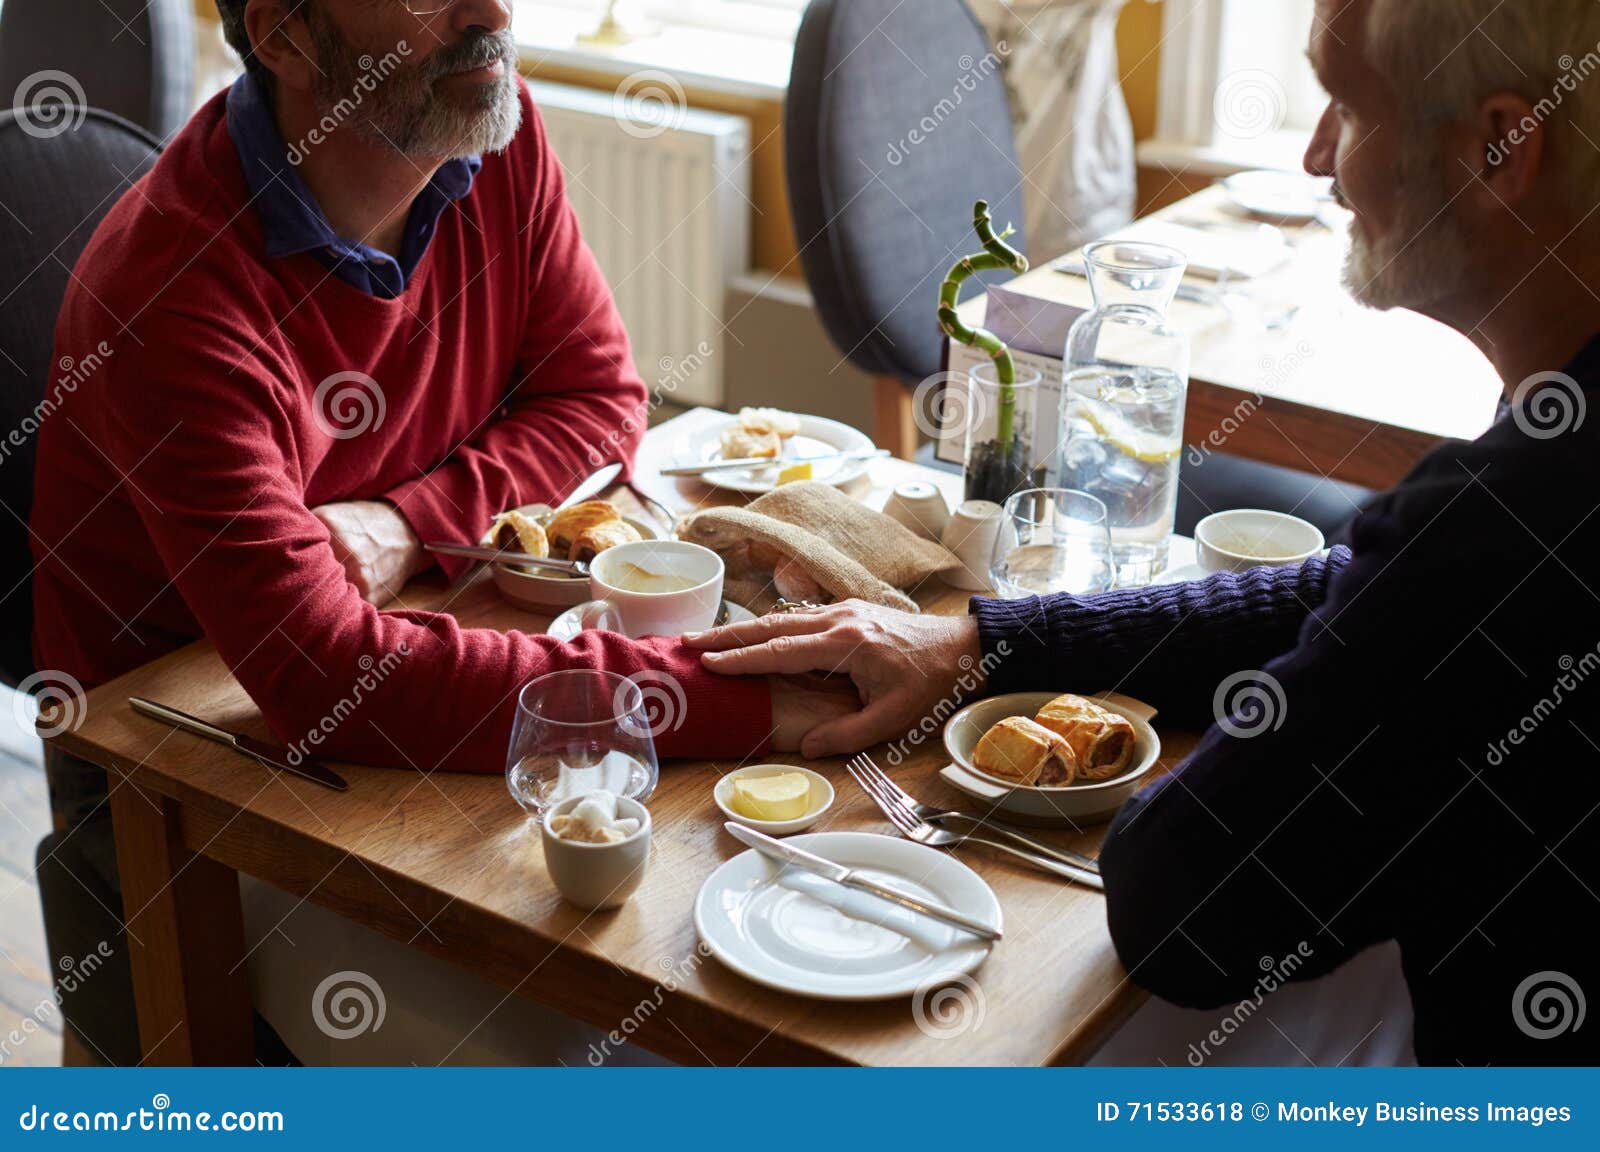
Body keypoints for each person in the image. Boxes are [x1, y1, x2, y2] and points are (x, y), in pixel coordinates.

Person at [687, 0, 1600, 1065]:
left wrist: (1257, 732)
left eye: (1347, 111)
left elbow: (1181, 905)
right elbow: (1355, 588)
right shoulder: (1514, 492)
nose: (1315, 159)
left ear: (1503, 145)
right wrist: (990, 643)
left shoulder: (1514, 522)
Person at [28, 0, 847, 1064]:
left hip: (399, 666)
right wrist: (752, 694)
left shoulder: (477, 121)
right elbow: (329, 675)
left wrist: (410, 521)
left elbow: (596, 392)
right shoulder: (171, 295)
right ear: (280, 34)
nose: (495, 11)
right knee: (605, 1043)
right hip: (185, 787)